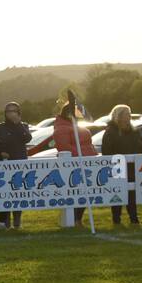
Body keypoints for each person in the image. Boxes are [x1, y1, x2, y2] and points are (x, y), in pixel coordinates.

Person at [53, 90, 96, 227]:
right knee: (77, 193)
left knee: (86, 193)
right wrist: (80, 157)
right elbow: (64, 147)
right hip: (75, 165)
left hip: (88, 163)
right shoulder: (61, 129)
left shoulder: (75, 126)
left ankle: (78, 219)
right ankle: (74, 220)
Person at [101, 103, 142, 227]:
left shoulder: (135, 131)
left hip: (133, 167)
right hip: (117, 168)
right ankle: (116, 220)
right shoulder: (110, 132)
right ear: (118, 116)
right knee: (117, 194)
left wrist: (139, 158)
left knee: (132, 194)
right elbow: (106, 151)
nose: (129, 117)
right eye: (126, 115)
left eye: (130, 114)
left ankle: (134, 219)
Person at [0, 101, 32, 229]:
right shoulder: (0, 127)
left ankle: (17, 220)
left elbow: (27, 138)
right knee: (5, 193)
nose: (11, 114)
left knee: (18, 193)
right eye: (8, 111)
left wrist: (18, 124)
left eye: (14, 111)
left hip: (20, 163)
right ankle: (5, 220)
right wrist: (1, 152)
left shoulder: (23, 126)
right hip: (4, 165)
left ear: (18, 113)